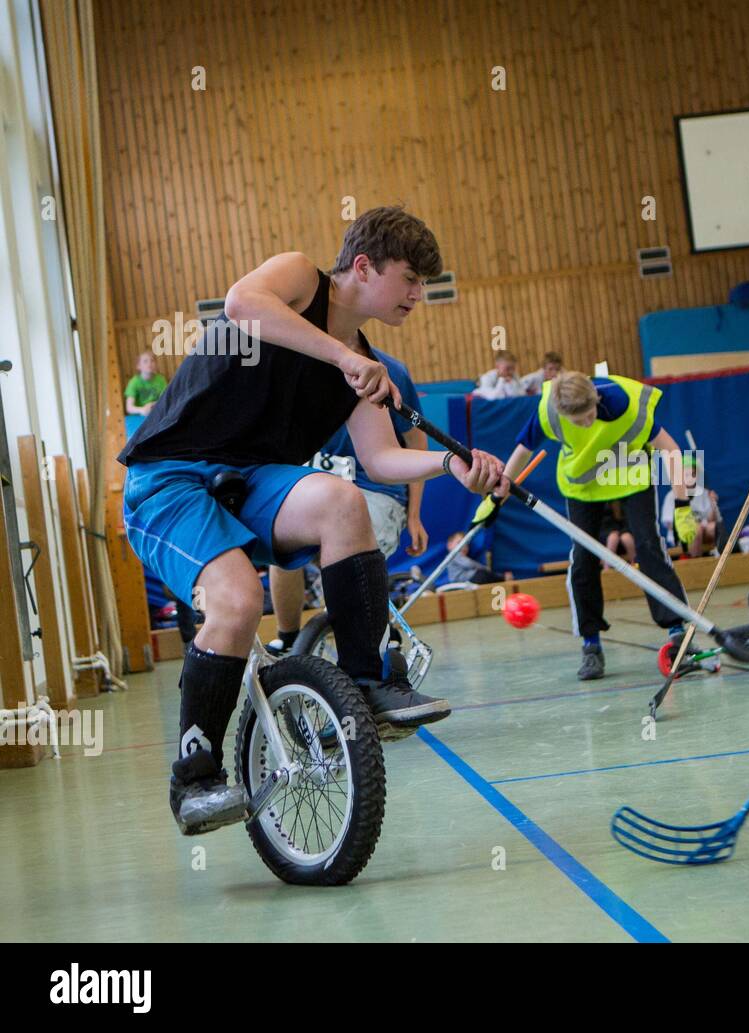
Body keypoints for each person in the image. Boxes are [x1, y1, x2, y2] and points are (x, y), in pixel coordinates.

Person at [118, 206, 505, 834]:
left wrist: (450, 464)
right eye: (409, 278)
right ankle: (195, 778)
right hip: (170, 475)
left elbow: (380, 458)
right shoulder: (301, 278)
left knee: (342, 499)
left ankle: (367, 681)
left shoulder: (362, 363)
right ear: (362, 266)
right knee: (239, 602)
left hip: (250, 479)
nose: (417, 295)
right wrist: (343, 358)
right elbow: (243, 303)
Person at [490, 370, 696, 679]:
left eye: (589, 416)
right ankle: (591, 645)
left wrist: (682, 505)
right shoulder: (549, 411)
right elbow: (522, 449)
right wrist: (496, 494)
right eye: (578, 421)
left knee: (649, 545)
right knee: (583, 558)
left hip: (629, 475)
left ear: (596, 399)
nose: (586, 424)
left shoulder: (627, 408)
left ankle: (678, 632)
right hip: (583, 484)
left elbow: (672, 449)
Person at [265, 347, 428, 655]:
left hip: (377, 492)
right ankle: (288, 638)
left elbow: (416, 441)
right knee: (279, 542)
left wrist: (415, 515)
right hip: (319, 489)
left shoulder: (391, 370)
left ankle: (373, 632)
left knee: (345, 546)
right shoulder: (292, 365)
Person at [659, 454, 722, 556]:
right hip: (682, 535)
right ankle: (695, 562)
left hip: (703, 530)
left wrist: (713, 503)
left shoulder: (704, 493)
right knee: (696, 530)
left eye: (692, 473)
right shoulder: (671, 496)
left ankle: (720, 558)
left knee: (715, 527)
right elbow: (669, 524)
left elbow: (712, 520)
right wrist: (692, 525)